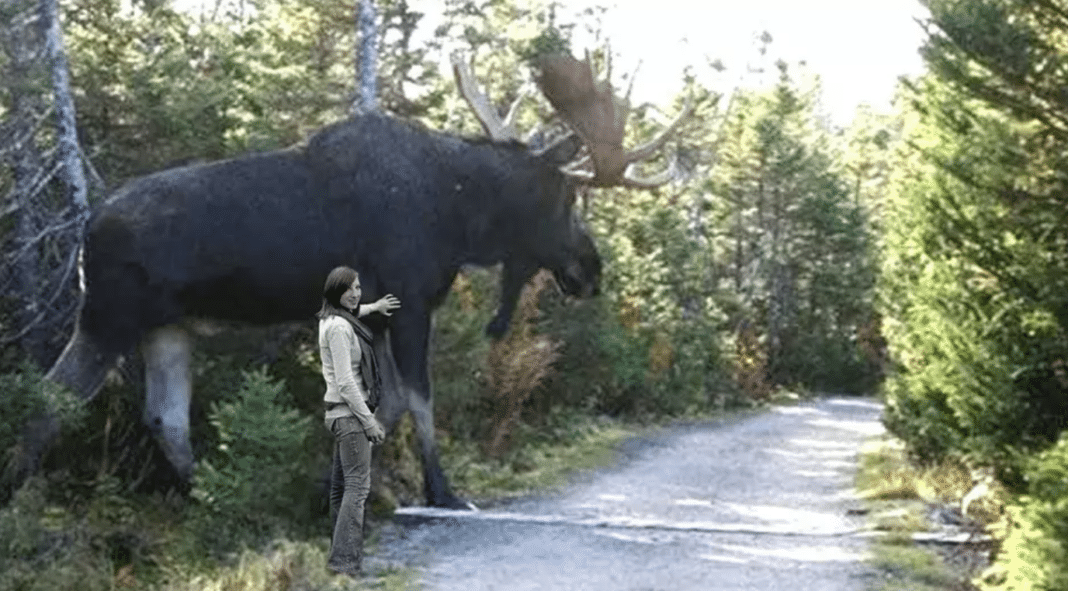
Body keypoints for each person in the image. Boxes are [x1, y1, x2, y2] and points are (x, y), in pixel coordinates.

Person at [317, 265, 400, 578]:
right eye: (349, 288)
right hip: (351, 416)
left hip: (339, 416)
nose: (355, 294)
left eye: (358, 288)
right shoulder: (339, 329)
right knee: (356, 490)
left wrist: (375, 307)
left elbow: (352, 312)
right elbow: (346, 381)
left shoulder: (331, 319)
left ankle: (339, 562)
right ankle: (345, 565)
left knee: (341, 490)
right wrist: (369, 421)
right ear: (335, 292)